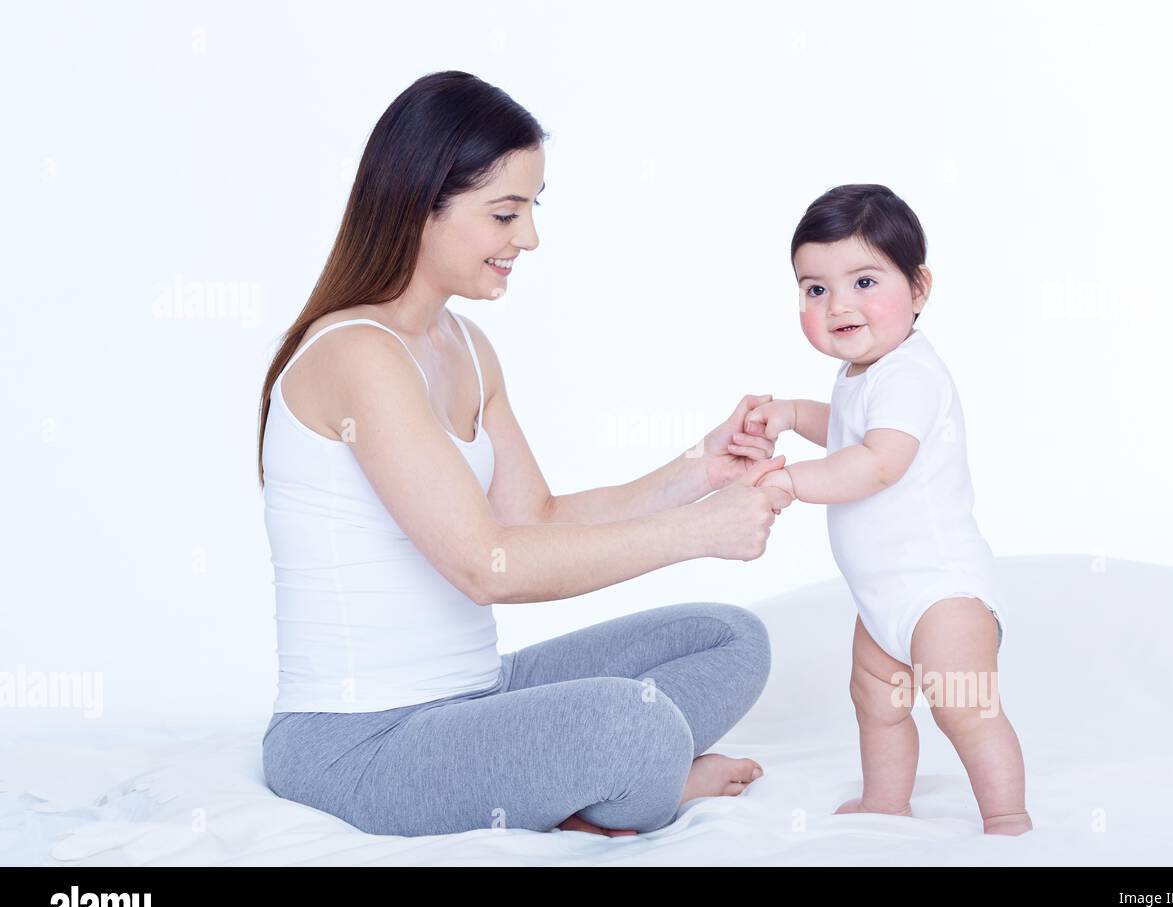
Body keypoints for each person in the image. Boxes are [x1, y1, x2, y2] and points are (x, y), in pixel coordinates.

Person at [255, 70, 792, 837]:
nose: (528, 239)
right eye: (504, 213)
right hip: (360, 742)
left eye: (531, 211)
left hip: (478, 695)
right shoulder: (358, 355)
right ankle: (638, 777)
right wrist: (700, 535)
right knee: (630, 724)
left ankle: (603, 778)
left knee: (730, 638)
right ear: (417, 205)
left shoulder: (467, 348)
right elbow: (486, 565)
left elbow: (533, 519)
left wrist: (698, 473)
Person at [745, 184, 1032, 836]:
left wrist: (790, 481)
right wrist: (792, 415)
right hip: (883, 596)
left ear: (920, 287)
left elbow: (877, 463)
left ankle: (1008, 818)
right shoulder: (863, 374)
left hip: (940, 591)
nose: (838, 304)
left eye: (864, 280)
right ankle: (885, 800)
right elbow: (849, 432)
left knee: (965, 708)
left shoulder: (910, 375)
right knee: (876, 703)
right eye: (814, 289)